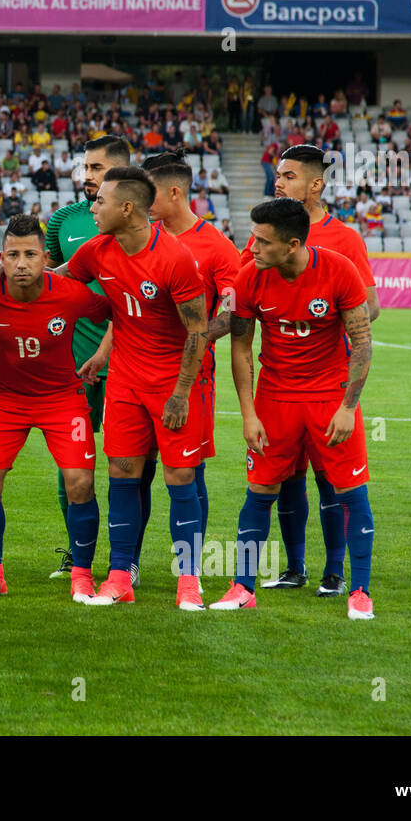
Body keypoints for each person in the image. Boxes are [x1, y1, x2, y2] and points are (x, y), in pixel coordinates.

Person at [210, 199, 377, 620]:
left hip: (329, 398)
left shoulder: (339, 270)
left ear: (293, 244)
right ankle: (243, 587)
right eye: (253, 238)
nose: (252, 248)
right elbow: (242, 346)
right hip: (275, 399)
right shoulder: (250, 276)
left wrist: (347, 406)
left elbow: (362, 345)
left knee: (350, 492)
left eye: (263, 242)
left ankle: (359, 591)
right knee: (259, 490)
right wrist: (248, 413)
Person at [60, 166, 210, 608]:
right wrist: (8, 271)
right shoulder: (98, 249)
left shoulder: (176, 258)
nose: (92, 207)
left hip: (172, 382)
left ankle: (189, 581)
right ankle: (120, 576)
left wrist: (182, 392)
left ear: (127, 208)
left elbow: (198, 331)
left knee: (179, 477)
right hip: (124, 380)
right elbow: (59, 277)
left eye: (100, 201)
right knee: (123, 475)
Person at [0, 216, 111, 602]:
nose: (21, 263)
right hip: (5, 400)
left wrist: (101, 354)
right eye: (13, 254)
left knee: (80, 483)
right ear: (0, 258)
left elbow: (122, 313)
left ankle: (82, 575)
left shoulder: (71, 293)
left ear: (46, 257)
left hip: (62, 399)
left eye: (30, 254)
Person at [141, 151, 241, 582]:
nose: (141, 200)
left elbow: (237, 312)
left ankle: (189, 567)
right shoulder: (144, 237)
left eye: (149, 193)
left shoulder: (216, 246)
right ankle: (126, 565)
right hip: (137, 369)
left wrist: (195, 337)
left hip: (191, 374)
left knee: (188, 469)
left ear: (175, 192)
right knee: (131, 468)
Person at [41, 135, 123, 578]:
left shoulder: (146, 223)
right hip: (74, 357)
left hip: (131, 358)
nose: (87, 176)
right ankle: (78, 553)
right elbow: (50, 280)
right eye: (85, 168)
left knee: (131, 464)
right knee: (72, 457)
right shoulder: (64, 220)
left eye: (98, 168)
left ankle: (125, 559)